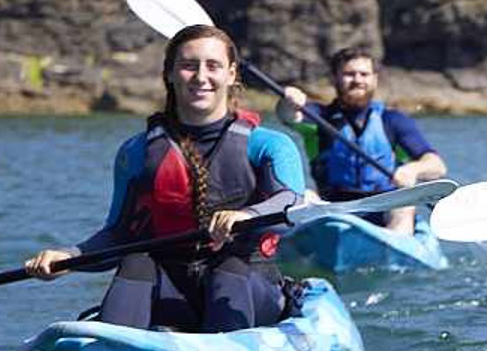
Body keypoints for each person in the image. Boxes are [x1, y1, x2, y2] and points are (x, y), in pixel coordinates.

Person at [25, 25, 306, 331]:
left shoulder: (269, 145)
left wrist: (247, 215)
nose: (201, 76)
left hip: (248, 288)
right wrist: (68, 257)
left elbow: (292, 204)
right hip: (172, 293)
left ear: (231, 74)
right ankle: (112, 348)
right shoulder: (136, 152)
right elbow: (118, 236)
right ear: (170, 74)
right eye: (189, 65)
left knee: (229, 268)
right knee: (136, 261)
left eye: (213, 66)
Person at [277, 47, 446, 236]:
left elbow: (437, 166)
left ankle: (393, 243)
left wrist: (413, 169)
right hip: (332, 209)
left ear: (375, 79)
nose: (357, 80)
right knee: (306, 195)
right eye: (349, 74)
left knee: (405, 205)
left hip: (385, 209)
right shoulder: (318, 117)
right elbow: (288, 116)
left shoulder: (393, 121)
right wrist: (288, 101)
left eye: (364, 74)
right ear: (334, 79)